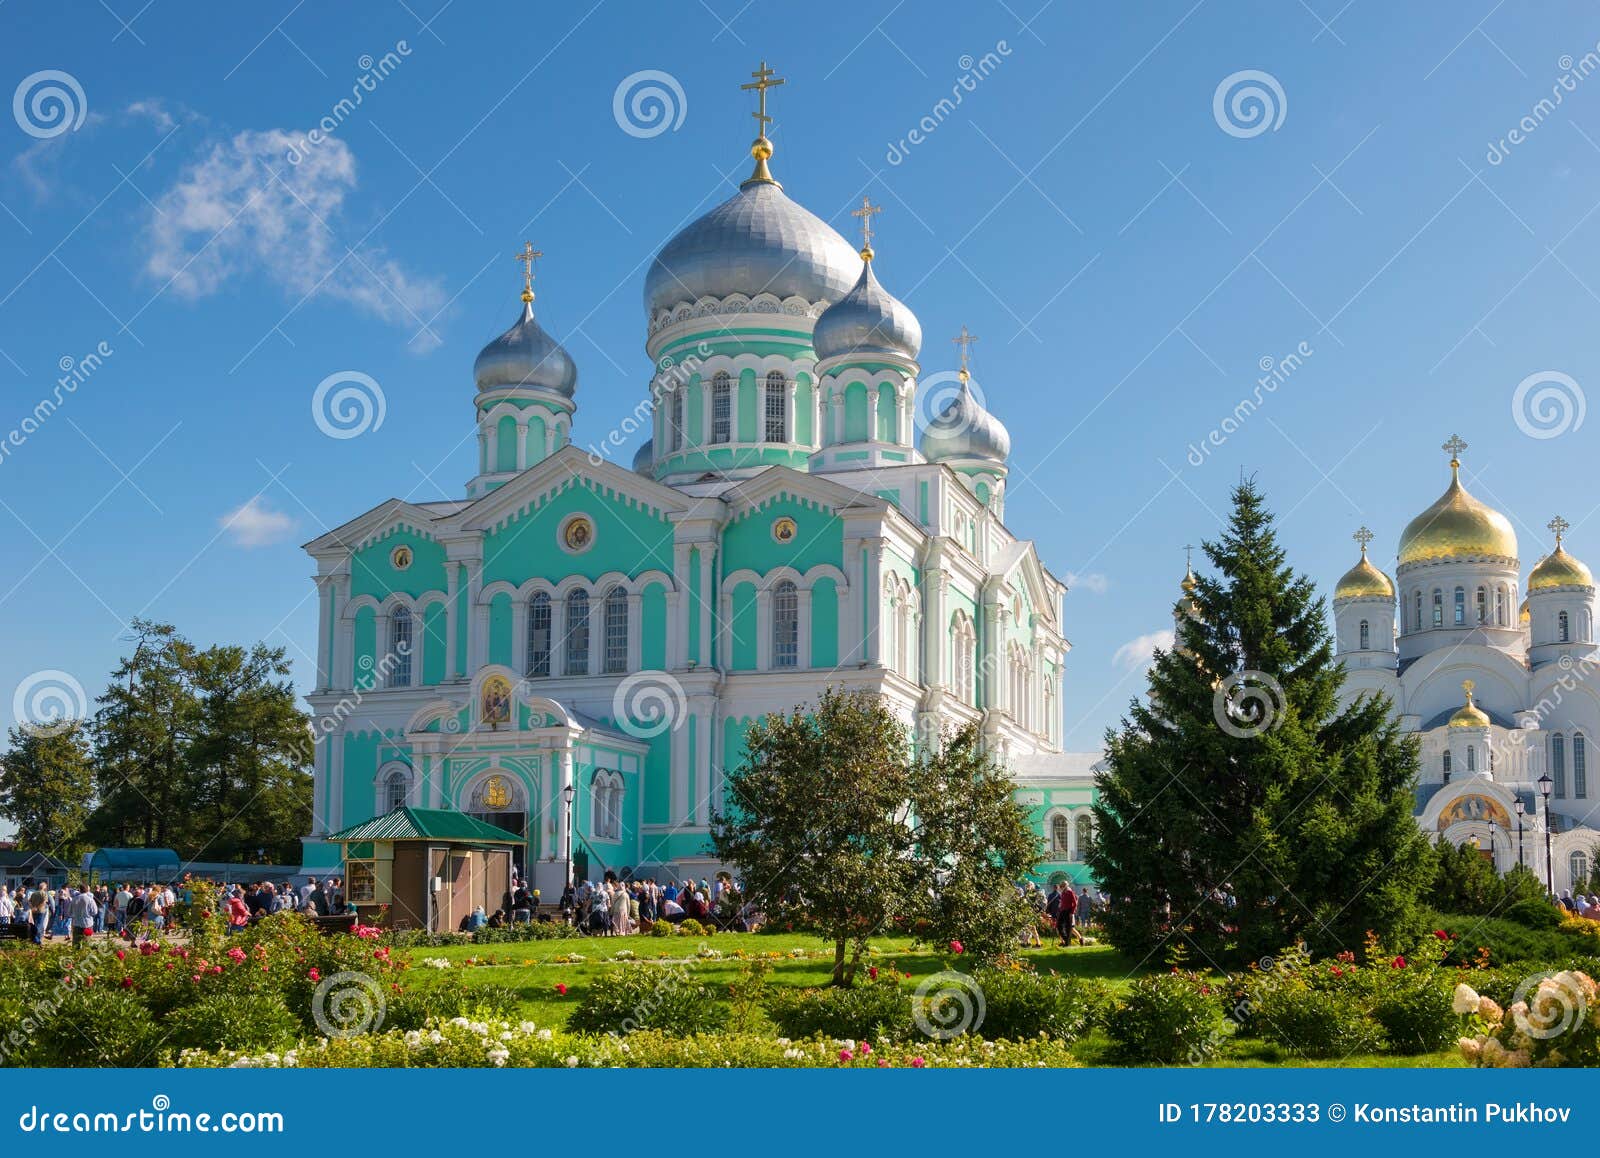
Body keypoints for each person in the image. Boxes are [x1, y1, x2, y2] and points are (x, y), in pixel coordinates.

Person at [27, 881, 50, 945]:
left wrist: (32, 908)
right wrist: (37, 907)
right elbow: (44, 902)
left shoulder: (34, 893)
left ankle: (35, 939)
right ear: (44, 887)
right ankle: (37, 940)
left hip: (34, 912)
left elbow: (29, 901)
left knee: (35, 925)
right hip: (40, 911)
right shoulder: (44, 893)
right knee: (39, 926)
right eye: (46, 886)